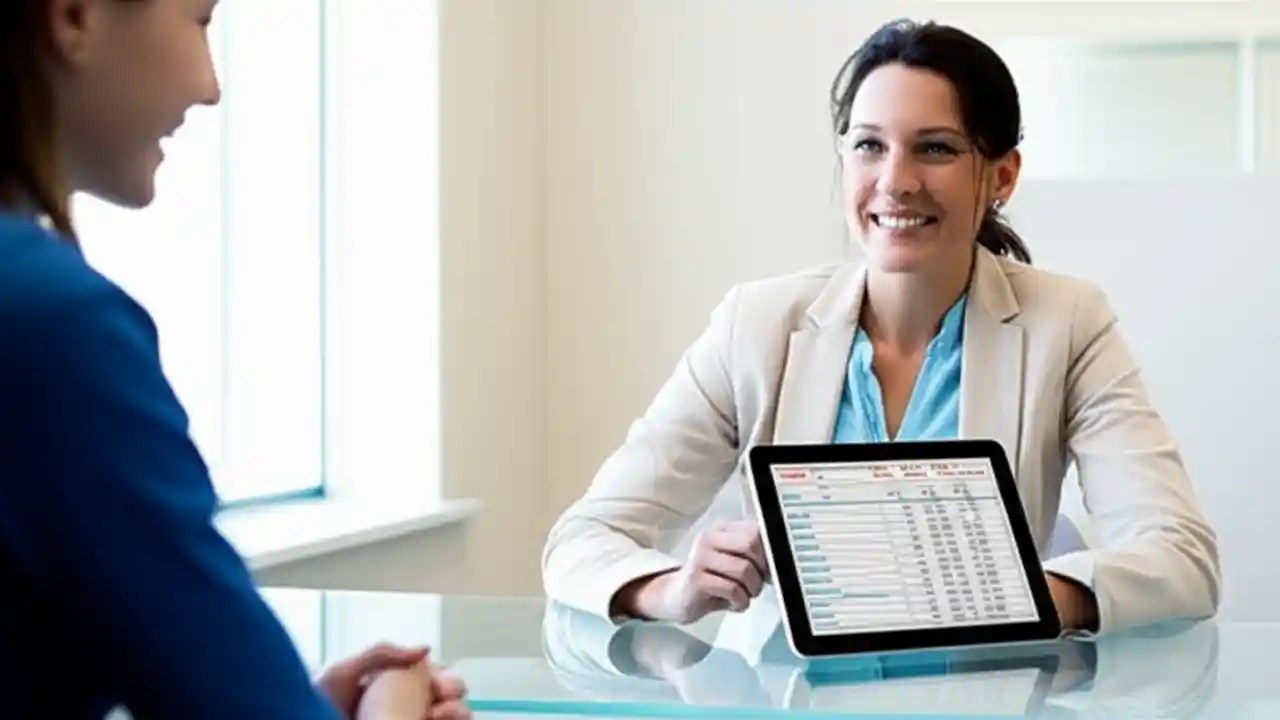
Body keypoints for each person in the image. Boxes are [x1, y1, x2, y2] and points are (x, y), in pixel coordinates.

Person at [542, 18, 1221, 637]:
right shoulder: (756, 325)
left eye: (935, 149)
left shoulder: (1067, 324)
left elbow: (1182, 561)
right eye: (869, 146)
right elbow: (582, 540)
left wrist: (1009, 599)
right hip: (791, 699)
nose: (895, 181)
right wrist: (672, 590)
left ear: (1002, 175)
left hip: (988, 697)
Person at [0, 1, 469, 718]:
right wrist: (395, 707)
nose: (210, 84)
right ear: (72, 18)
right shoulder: (54, 327)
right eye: (200, 19)